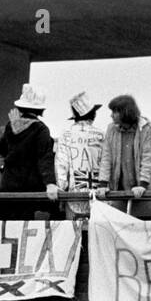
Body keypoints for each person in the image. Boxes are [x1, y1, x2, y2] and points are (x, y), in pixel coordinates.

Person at [0, 84, 59, 220]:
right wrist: (50, 183)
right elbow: (45, 157)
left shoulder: (10, 126)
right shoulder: (41, 129)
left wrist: (13, 133)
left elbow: (4, 151)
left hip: (9, 187)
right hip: (31, 189)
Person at [97, 94, 151, 219]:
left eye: (114, 112)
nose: (111, 115)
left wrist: (142, 185)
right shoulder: (111, 129)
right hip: (120, 193)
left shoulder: (146, 129)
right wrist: (103, 185)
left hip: (143, 194)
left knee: (143, 230)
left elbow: (148, 158)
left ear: (124, 112)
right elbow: (106, 157)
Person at [54, 92, 106, 220]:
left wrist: (61, 189)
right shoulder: (102, 135)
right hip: (99, 194)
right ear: (92, 114)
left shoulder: (66, 135)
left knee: (74, 234)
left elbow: (61, 164)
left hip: (73, 195)